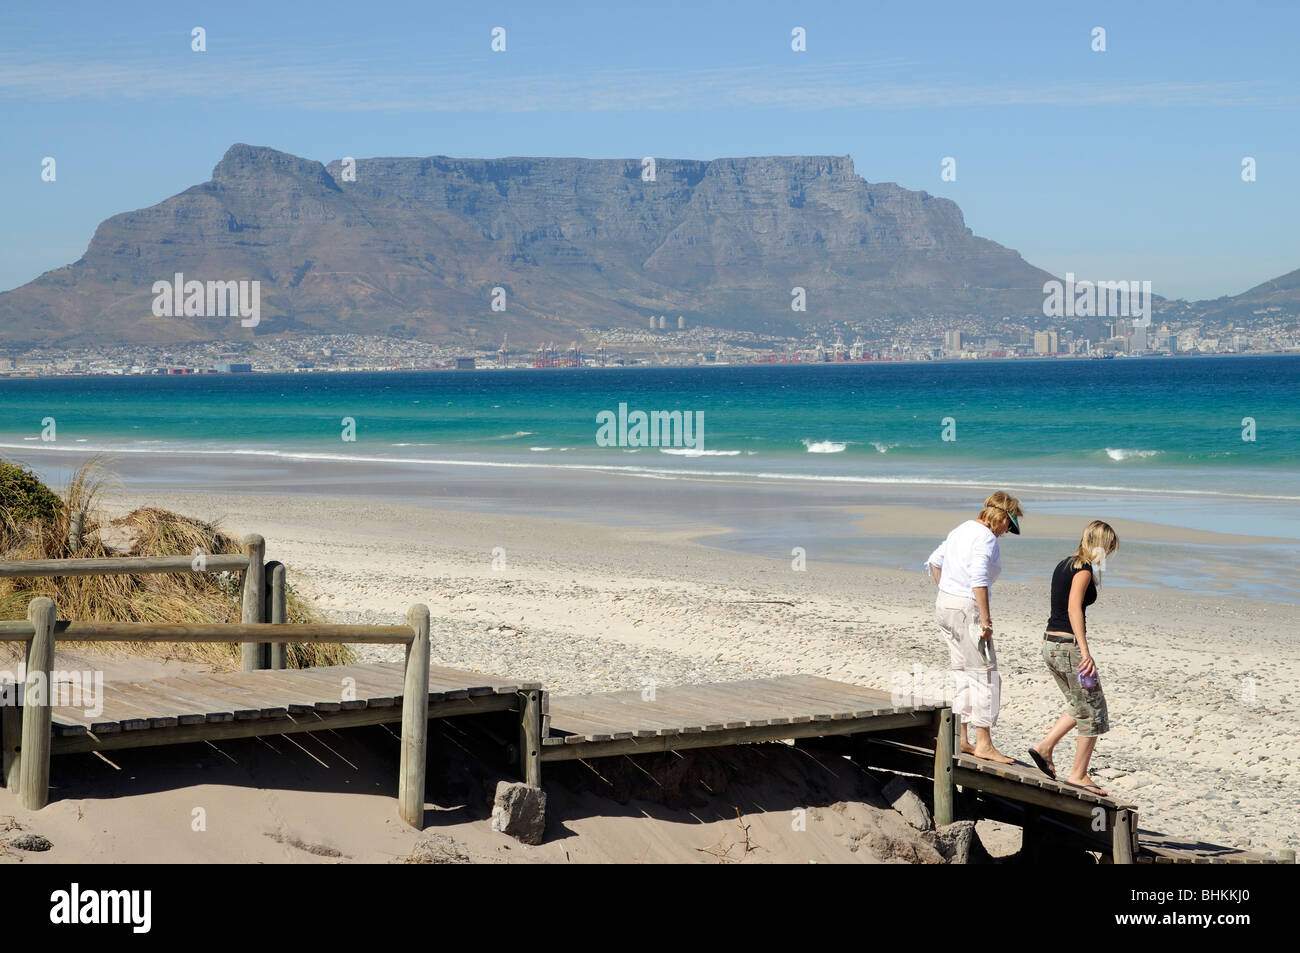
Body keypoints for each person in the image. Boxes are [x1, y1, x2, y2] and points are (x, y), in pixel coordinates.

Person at [925, 490, 1023, 764]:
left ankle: (962, 738)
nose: (1006, 532)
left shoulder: (961, 529)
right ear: (1001, 516)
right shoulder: (986, 537)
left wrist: (948, 591)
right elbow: (978, 578)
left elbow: (934, 561)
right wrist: (986, 620)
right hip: (967, 608)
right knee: (985, 673)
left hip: (945, 604)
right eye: (1009, 525)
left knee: (962, 671)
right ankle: (984, 743)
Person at [1027, 520, 1118, 795]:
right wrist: (1085, 652)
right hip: (1068, 648)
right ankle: (1078, 774)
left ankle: (1044, 748)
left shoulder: (1066, 563)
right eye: (1109, 548)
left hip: (1051, 645)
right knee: (1094, 708)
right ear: (1100, 545)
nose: (1110, 554)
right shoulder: (1084, 569)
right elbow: (1073, 609)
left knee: (1079, 702)